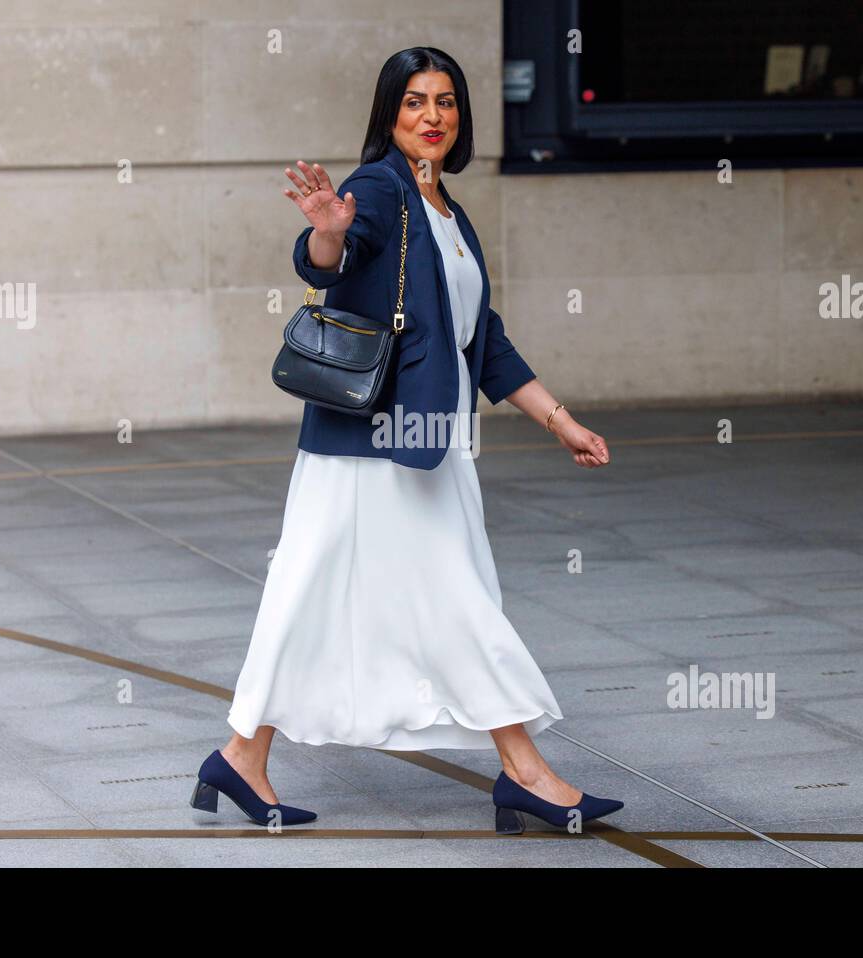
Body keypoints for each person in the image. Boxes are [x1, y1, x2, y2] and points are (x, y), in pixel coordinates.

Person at [190, 47, 623, 835]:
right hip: (374, 444)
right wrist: (326, 235)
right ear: (390, 114)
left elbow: (479, 338)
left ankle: (241, 756)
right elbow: (329, 260)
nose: (433, 116)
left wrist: (560, 421)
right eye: (416, 102)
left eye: (447, 102)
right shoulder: (379, 188)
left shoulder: (449, 211)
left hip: (432, 438)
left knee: (315, 592)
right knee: (455, 595)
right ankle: (526, 773)